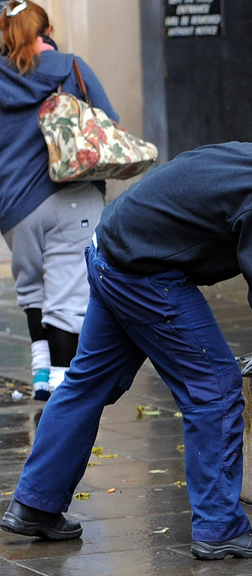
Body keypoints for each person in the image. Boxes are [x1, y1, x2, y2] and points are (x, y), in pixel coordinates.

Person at [0, 119, 252, 560]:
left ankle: (35, 506)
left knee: (87, 383)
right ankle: (219, 529)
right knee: (215, 389)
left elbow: (232, 210)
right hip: (144, 274)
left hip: (112, 248)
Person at [0, 0, 116, 400]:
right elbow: (109, 125)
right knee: (67, 296)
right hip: (72, 196)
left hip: (15, 208)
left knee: (32, 288)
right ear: (44, 29)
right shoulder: (70, 67)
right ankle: (62, 387)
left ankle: (39, 375)